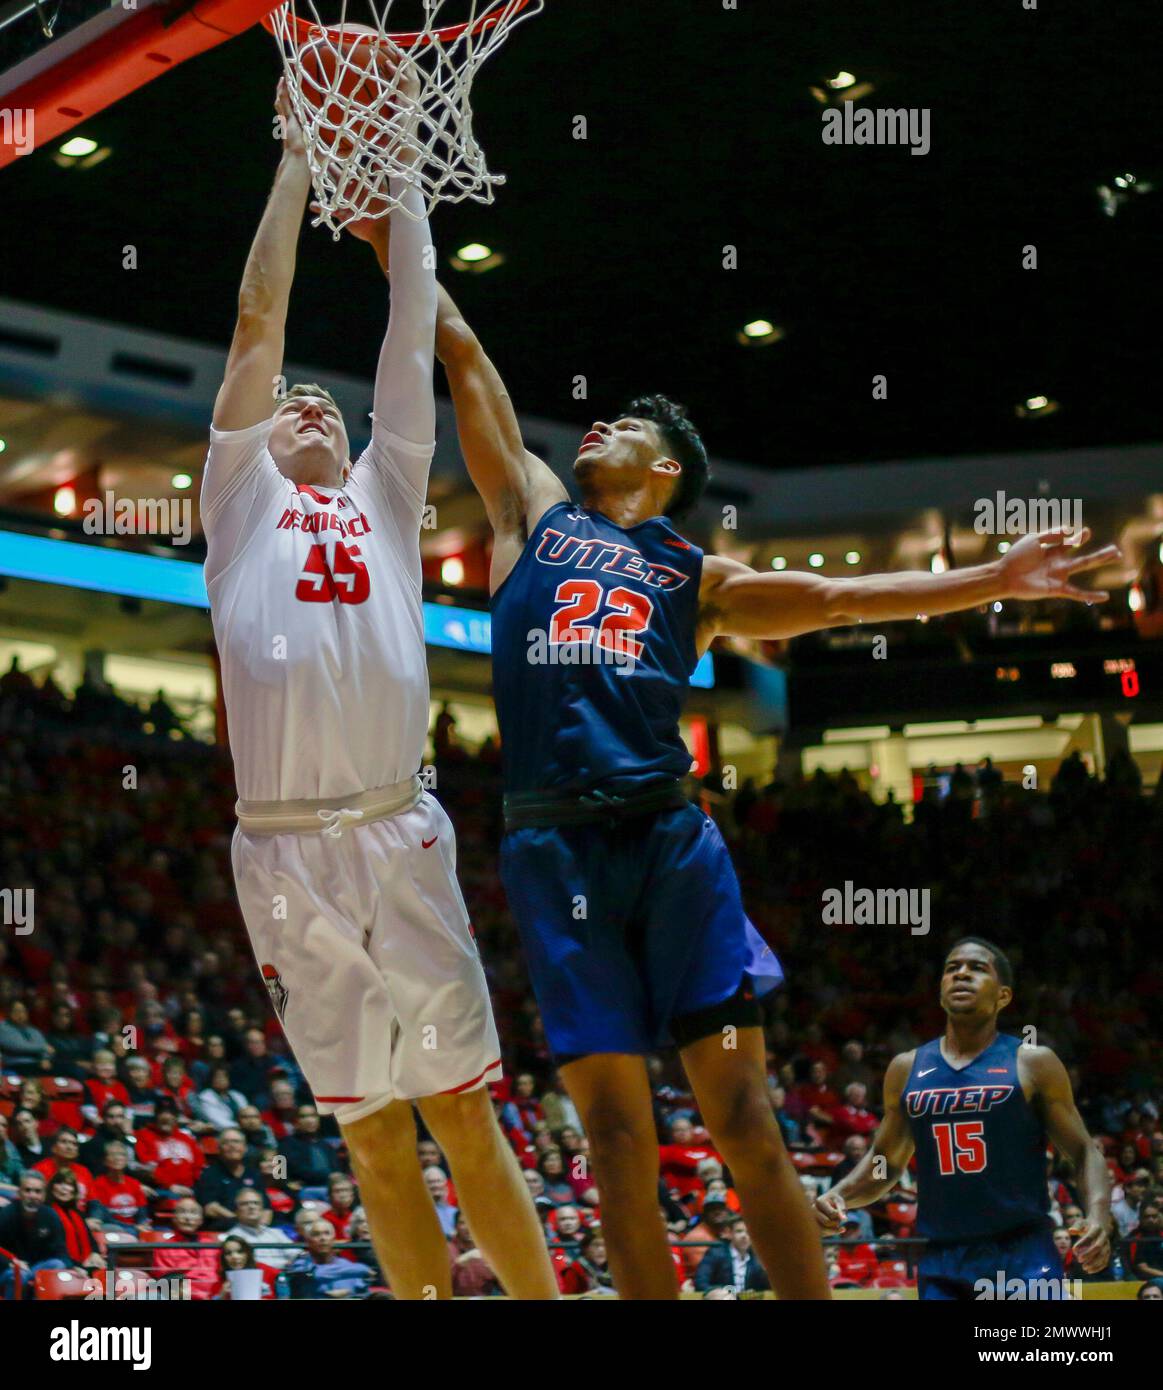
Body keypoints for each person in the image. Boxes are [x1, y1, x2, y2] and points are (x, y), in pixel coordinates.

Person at [409, 263, 1120, 1300]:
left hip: (667, 849)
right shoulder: (533, 513)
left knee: (741, 1115)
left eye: (627, 425)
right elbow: (461, 351)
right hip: (550, 851)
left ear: (666, 473)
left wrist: (993, 580)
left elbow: (839, 599)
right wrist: (398, 234)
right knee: (612, 1138)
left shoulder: (700, 579)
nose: (597, 426)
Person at [200, 74, 554, 1303]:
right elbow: (258, 322)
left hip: (396, 828)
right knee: (371, 1136)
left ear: (351, 443)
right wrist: (298, 158)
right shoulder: (239, 506)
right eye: (289, 402)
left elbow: (411, 323)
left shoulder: (384, 497)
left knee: (462, 1114)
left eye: (322, 405)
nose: (304, 400)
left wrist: (400, 172)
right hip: (286, 856)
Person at [814, 939, 1113, 1299]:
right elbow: (886, 1164)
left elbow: (1084, 1151)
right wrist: (838, 1196)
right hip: (944, 1257)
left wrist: (1098, 1215)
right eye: (952, 968)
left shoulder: (1033, 1062)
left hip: (1023, 1253)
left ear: (1003, 996)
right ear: (940, 989)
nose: (961, 975)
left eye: (977, 968)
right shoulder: (906, 1067)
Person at [0, 1171, 69, 1299]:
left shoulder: (50, 1215)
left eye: (37, 1191)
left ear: (43, 1195)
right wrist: (11, 1262)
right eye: (28, 1190)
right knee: (19, 1275)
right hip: (8, 1268)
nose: (32, 1195)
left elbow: (60, 1251)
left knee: (58, 1265)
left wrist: (75, 1268)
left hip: (36, 1267)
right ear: (20, 1193)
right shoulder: (5, 1214)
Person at [194, 1128, 270, 1231]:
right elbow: (210, 1208)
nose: (232, 1146)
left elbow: (266, 1208)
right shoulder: (209, 1174)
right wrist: (241, 1222)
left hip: (255, 1229)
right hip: (224, 1229)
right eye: (226, 1142)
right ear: (219, 1148)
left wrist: (262, 1227)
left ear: (245, 1148)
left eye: (236, 1142)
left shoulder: (254, 1174)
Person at [151, 1198, 221, 1301]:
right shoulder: (164, 1247)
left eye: (193, 1212)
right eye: (182, 1212)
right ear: (174, 1218)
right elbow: (166, 1282)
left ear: (201, 1220)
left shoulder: (213, 1245)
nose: (187, 1217)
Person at [287, 1219, 373, 1300]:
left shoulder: (346, 1265)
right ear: (308, 1241)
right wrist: (362, 1269)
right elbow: (317, 1274)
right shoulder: (300, 1264)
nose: (323, 1238)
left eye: (327, 1233)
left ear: (333, 1239)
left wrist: (349, 1293)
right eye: (316, 1234)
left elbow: (362, 1291)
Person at [135, 1099, 205, 1199]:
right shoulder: (144, 1136)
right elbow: (148, 1168)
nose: (166, 1117)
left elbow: (199, 1165)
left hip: (190, 1188)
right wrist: (170, 1186)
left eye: (171, 1113)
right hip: (162, 1189)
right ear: (155, 1116)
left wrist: (195, 1186)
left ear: (176, 1118)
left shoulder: (186, 1138)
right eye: (162, 1113)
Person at [222, 1187, 297, 1270]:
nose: (251, 1207)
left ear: (262, 1209)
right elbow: (250, 1265)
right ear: (236, 1210)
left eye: (256, 1203)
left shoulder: (276, 1232)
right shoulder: (233, 1237)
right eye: (245, 1204)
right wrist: (284, 1264)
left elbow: (295, 1254)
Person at [694, 1218, 771, 1295]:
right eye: (739, 1231)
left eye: (749, 1232)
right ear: (730, 1234)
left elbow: (769, 1287)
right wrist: (718, 1293)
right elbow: (700, 1282)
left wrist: (766, 1272)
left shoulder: (757, 1258)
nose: (744, 1236)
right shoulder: (716, 1254)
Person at [47, 1171, 104, 1272]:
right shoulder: (47, 1213)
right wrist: (77, 1265)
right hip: (65, 1265)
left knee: (110, 1271)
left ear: (74, 1191)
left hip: (86, 1263)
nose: (64, 1188)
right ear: (52, 1187)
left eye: (69, 1184)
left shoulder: (77, 1213)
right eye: (59, 1183)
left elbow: (91, 1240)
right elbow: (54, 1248)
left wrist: (95, 1253)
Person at [88, 1140, 149, 1229]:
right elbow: (103, 1216)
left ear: (126, 1160)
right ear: (105, 1160)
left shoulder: (134, 1183)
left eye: (122, 1154)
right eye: (113, 1154)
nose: (118, 1158)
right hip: (113, 1229)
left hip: (135, 1229)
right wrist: (133, 1227)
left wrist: (143, 1225)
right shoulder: (98, 1184)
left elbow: (141, 1215)